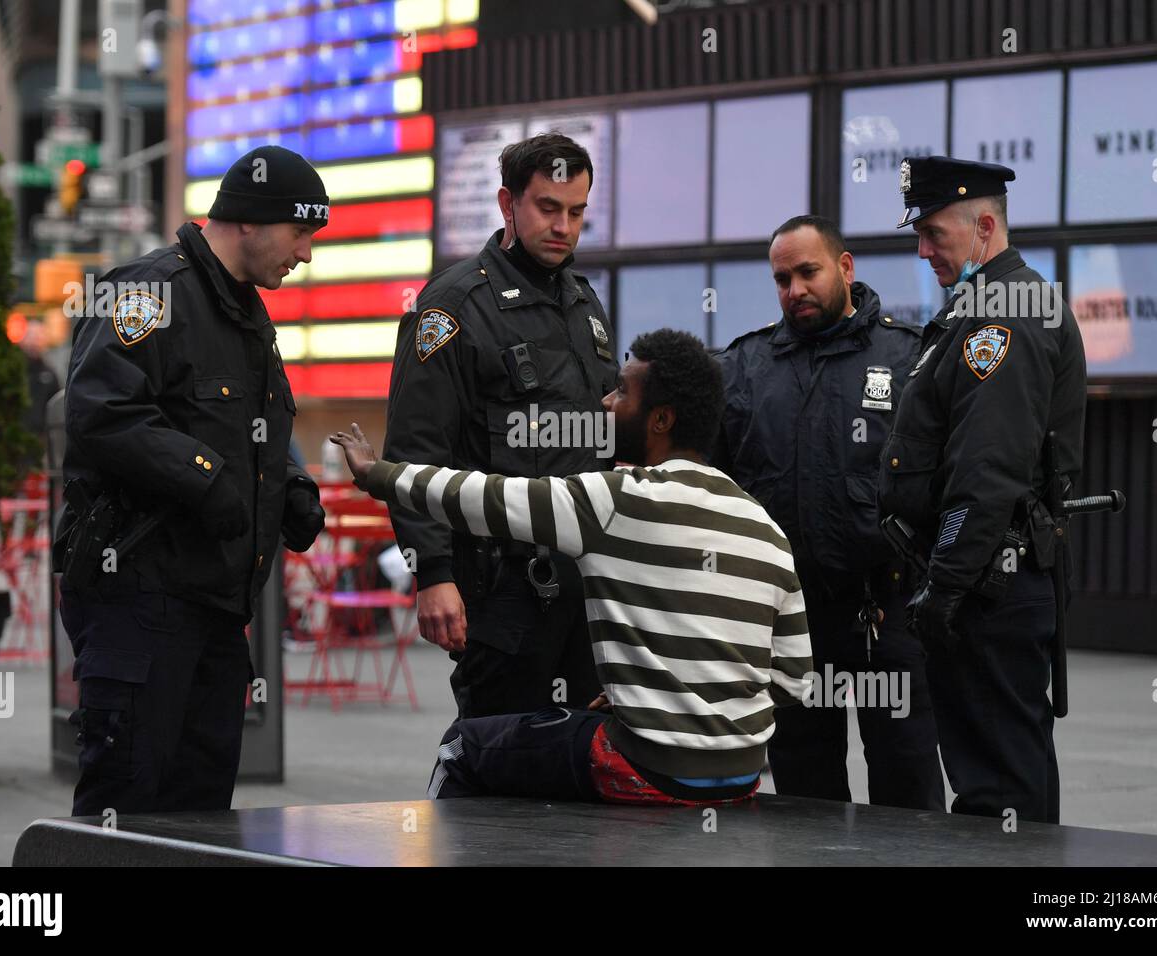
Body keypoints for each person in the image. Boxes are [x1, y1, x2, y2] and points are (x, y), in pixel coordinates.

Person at [334, 329, 811, 805]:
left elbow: (485, 498)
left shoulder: (616, 500)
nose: (606, 402)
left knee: (463, 747)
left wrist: (378, 474)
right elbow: (793, 681)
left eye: (623, 391)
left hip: (649, 767)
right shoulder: (764, 527)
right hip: (742, 776)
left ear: (661, 419)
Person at [56, 145, 327, 816]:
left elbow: (254, 425)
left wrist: (291, 487)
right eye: (300, 233)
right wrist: (204, 479)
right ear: (250, 221)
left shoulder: (243, 314)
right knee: (123, 808)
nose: (306, 254)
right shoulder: (149, 293)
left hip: (213, 608)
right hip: (140, 603)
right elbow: (99, 410)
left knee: (200, 818)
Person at [383, 132, 618, 719]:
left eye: (577, 211)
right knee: (497, 767)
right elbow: (414, 453)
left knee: (587, 764)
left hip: (586, 590)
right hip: (503, 588)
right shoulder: (452, 308)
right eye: (548, 208)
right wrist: (432, 574)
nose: (564, 225)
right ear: (507, 203)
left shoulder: (585, 304)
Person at [880, 156, 1087, 824]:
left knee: (1000, 793)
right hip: (983, 582)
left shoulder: (1004, 317)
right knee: (986, 783)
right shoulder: (980, 307)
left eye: (935, 232)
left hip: (988, 589)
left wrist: (946, 585)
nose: (923, 250)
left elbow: (986, 470)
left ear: (984, 225)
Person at [713, 215, 944, 811]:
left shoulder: (909, 359)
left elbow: (944, 484)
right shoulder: (745, 368)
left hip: (888, 614)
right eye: (782, 278)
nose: (795, 290)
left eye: (808, 272)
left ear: (844, 268)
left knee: (907, 784)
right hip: (790, 620)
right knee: (802, 791)